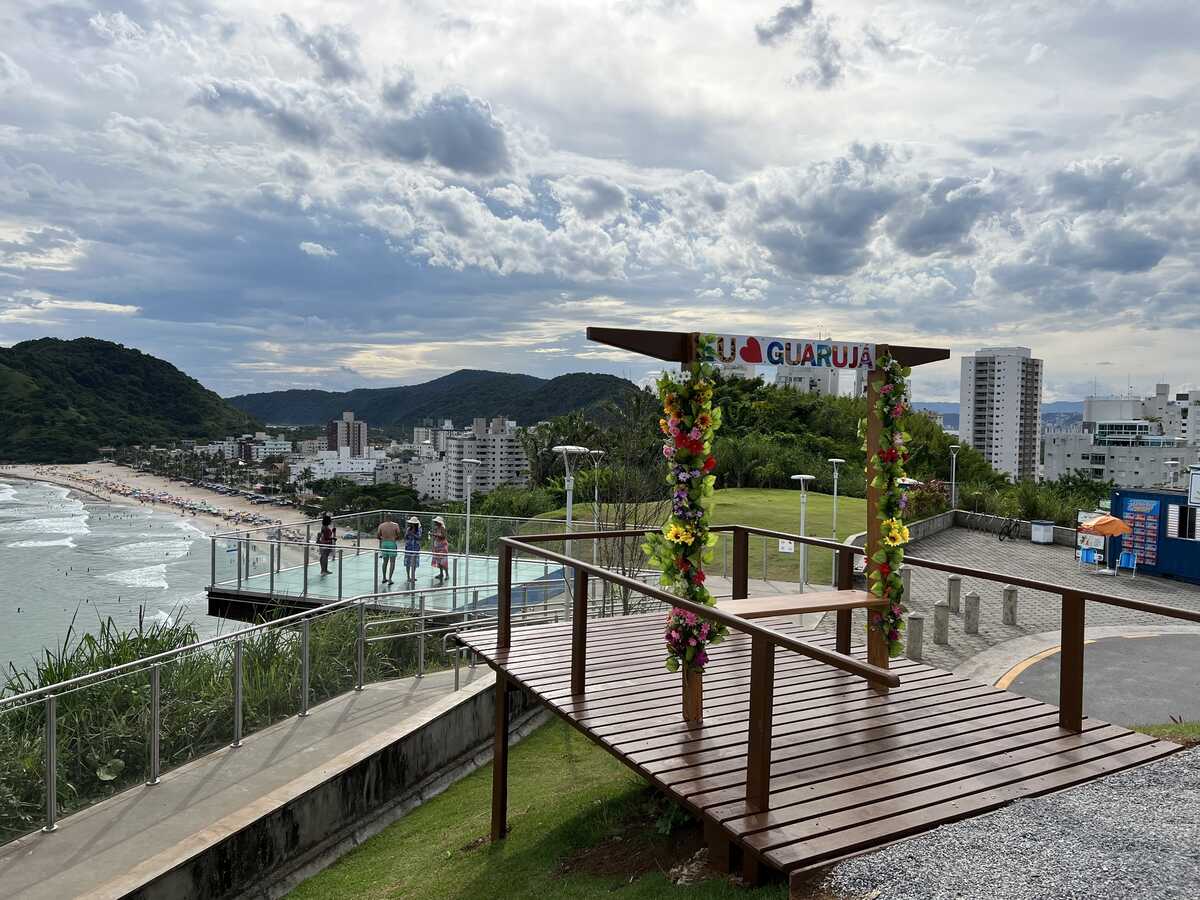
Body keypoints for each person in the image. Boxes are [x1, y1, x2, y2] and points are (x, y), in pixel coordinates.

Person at [376, 513, 402, 586]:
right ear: (391, 518)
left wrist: (383, 538)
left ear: (385, 518)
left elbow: (378, 536)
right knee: (392, 562)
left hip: (384, 543)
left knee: (385, 561)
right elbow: (399, 535)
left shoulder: (381, 525)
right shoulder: (395, 525)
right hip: (392, 543)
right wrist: (394, 538)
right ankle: (390, 579)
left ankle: (384, 577)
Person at [430, 516, 450, 584]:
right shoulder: (436, 528)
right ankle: (441, 573)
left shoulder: (442, 528)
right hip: (437, 545)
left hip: (442, 545)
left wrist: (435, 535)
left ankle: (447, 574)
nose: (435, 523)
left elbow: (443, 536)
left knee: (443, 561)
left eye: (436, 522)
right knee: (439, 561)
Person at [403, 516, 422, 584]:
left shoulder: (419, 529)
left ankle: (413, 575)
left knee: (414, 562)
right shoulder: (408, 529)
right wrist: (408, 533)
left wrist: (413, 534)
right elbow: (405, 537)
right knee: (408, 562)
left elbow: (419, 537)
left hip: (416, 547)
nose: (412, 524)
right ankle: (408, 576)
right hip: (409, 546)